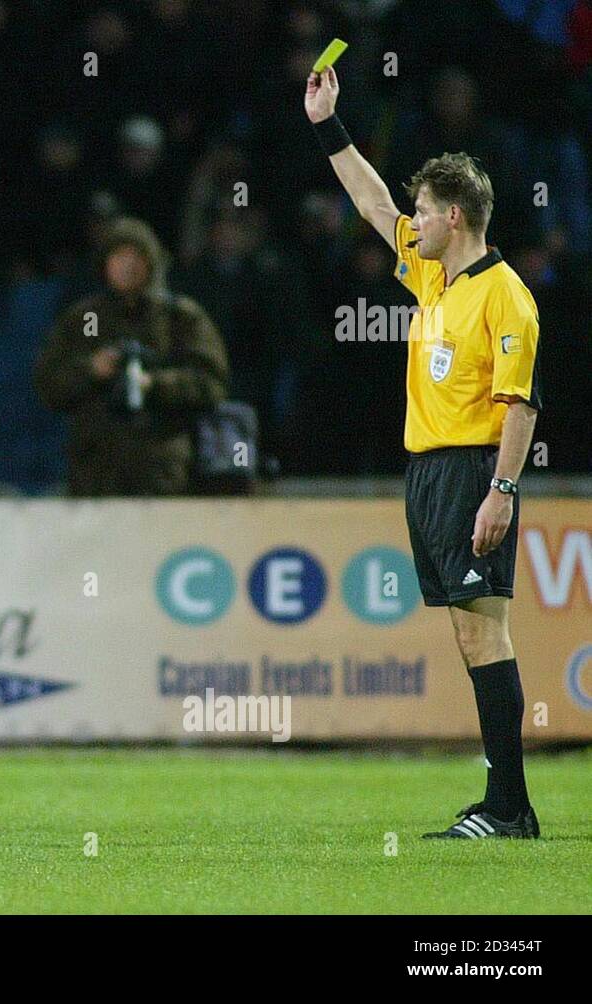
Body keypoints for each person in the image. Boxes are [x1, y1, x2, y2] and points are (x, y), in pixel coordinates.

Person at [306, 66, 543, 839]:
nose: (409, 223)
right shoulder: (437, 277)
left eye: (421, 213)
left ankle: (509, 808)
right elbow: (371, 202)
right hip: (432, 471)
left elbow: (521, 404)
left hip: (476, 468)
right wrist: (328, 125)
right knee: (469, 631)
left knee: (485, 631)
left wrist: (501, 490)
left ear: (451, 215)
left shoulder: (504, 293)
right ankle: (505, 804)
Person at [33, 216, 229, 496]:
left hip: (163, 473)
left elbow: (212, 384)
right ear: (105, 263)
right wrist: (91, 369)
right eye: (119, 256)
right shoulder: (82, 318)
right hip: (95, 475)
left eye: (137, 256)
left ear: (152, 263)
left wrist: (154, 383)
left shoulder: (181, 317)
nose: (128, 265)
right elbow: (48, 384)